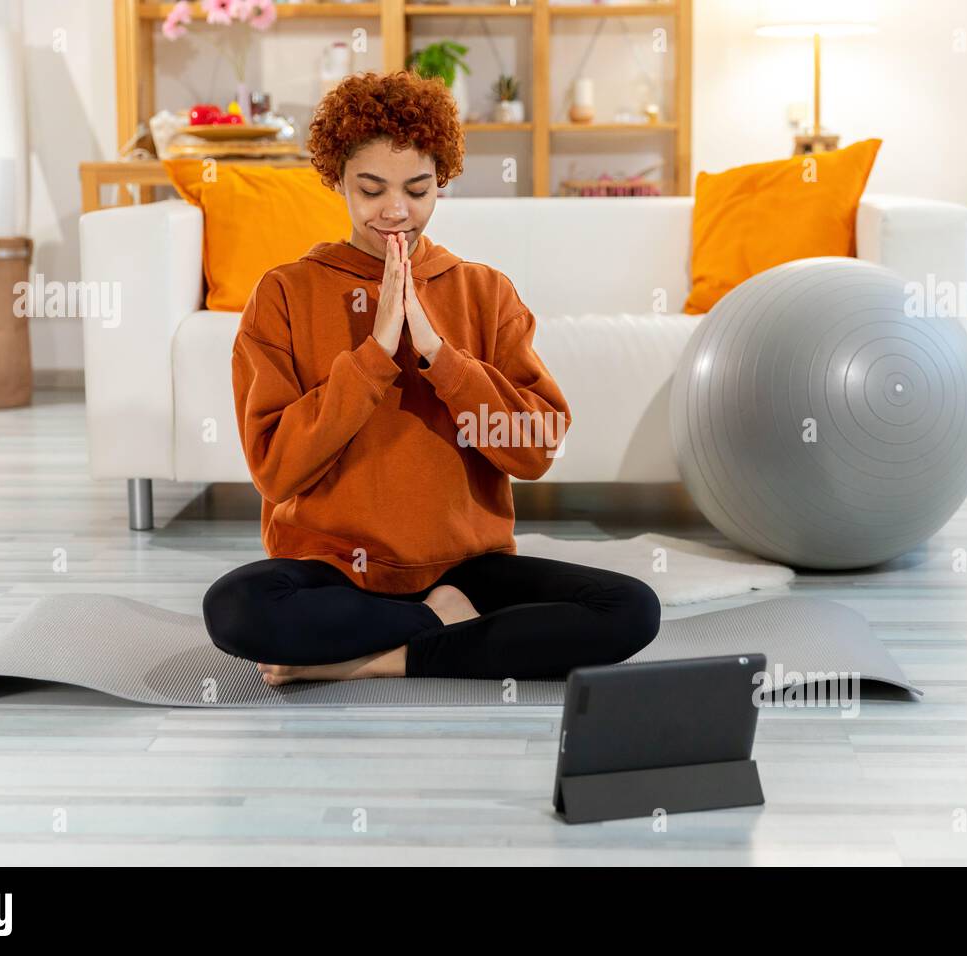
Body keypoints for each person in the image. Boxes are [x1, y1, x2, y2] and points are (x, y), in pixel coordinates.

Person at [202, 70, 661, 685]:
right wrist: (374, 354)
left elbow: (533, 451)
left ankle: (378, 656)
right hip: (338, 569)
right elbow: (276, 470)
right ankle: (442, 629)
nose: (396, 212)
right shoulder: (284, 294)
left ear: (440, 182)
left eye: (418, 190)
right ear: (336, 179)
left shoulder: (485, 291)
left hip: (467, 570)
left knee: (630, 609)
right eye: (371, 190)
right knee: (235, 609)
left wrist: (440, 357)